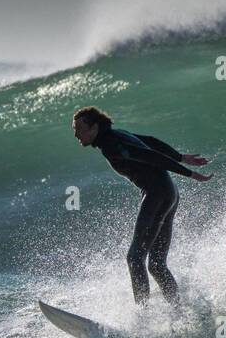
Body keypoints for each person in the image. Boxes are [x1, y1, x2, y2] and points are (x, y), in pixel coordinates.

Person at [72, 106, 212, 306]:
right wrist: (180, 157)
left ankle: (142, 319)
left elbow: (150, 156)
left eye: (80, 129)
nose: (76, 134)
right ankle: (179, 308)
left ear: (94, 127)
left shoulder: (111, 145)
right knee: (156, 264)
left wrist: (189, 173)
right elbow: (152, 142)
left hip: (157, 195)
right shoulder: (117, 135)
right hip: (170, 193)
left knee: (135, 259)